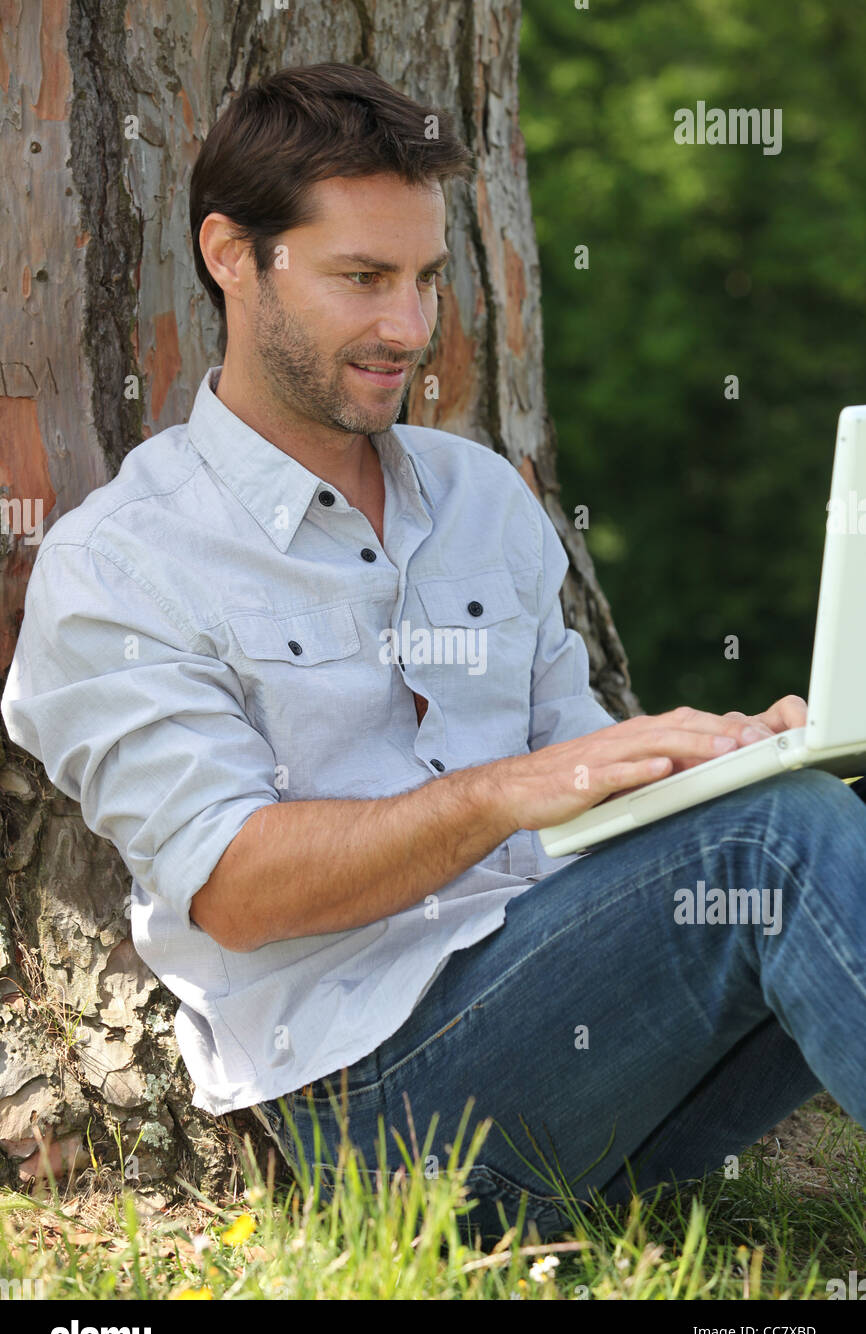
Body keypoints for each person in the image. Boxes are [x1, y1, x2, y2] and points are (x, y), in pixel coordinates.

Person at [3, 63, 865, 1252]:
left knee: (787, 811)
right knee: (780, 843)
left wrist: (722, 761)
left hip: (578, 1054)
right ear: (231, 255)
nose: (408, 330)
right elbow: (234, 886)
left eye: (424, 281)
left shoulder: (478, 498)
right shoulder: (119, 563)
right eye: (362, 279)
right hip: (377, 1115)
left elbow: (576, 784)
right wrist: (504, 791)